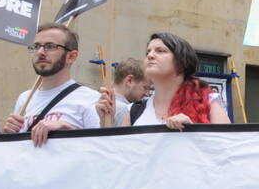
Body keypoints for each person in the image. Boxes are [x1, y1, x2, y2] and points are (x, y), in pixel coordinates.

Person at [97, 32, 231, 129]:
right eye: (148, 52)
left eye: (160, 51)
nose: (150, 55)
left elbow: (227, 149)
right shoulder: (135, 111)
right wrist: (106, 120)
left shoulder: (208, 101)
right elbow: (121, 157)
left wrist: (193, 131)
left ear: (181, 61)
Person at [2, 24, 101, 147]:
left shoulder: (90, 99)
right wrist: (7, 136)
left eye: (50, 46)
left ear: (71, 56)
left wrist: (68, 129)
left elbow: (98, 151)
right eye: (36, 46)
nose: (40, 52)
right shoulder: (25, 99)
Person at [107, 57, 148, 127]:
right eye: (145, 87)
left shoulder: (100, 101)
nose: (146, 94)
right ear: (129, 81)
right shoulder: (123, 109)